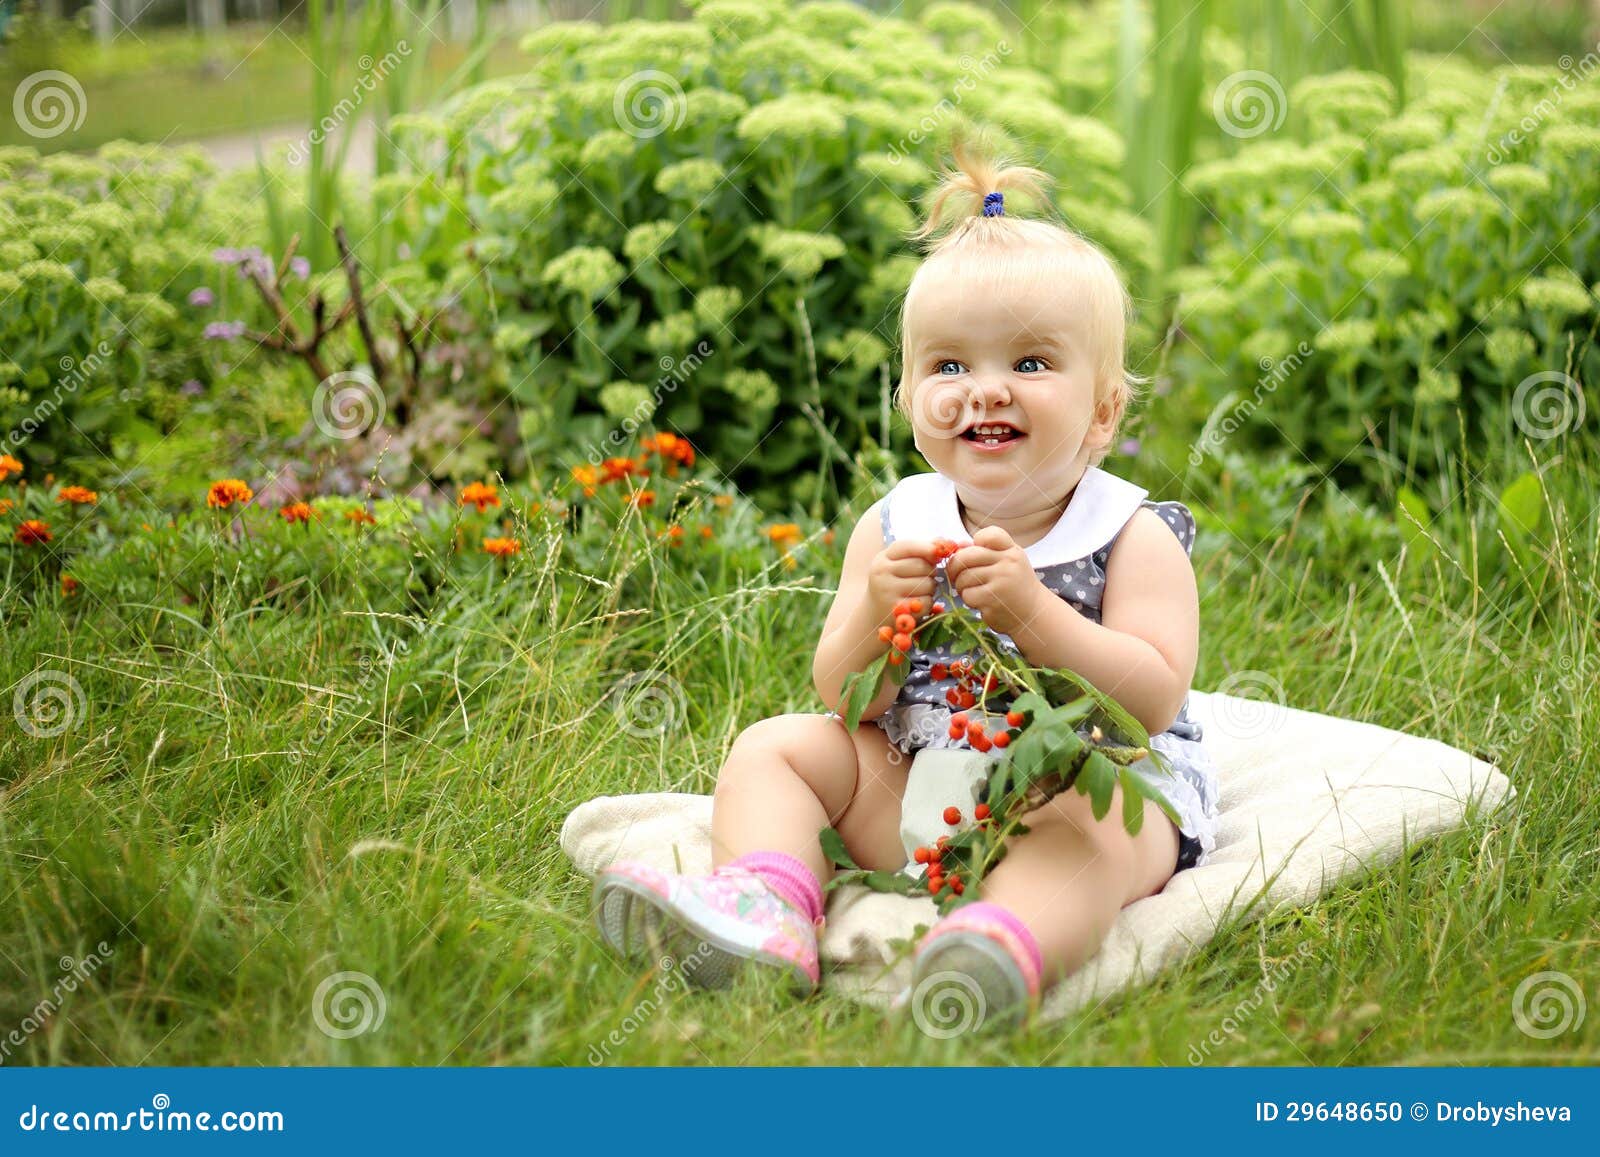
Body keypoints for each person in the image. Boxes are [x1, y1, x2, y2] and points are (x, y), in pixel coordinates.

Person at [591, 130, 1221, 1031]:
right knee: (779, 745)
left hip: (1077, 779)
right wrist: (876, 620)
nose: (984, 390)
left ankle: (997, 948)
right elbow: (845, 694)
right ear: (908, 398)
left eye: (1031, 363)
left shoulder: (1129, 535)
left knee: (1092, 836)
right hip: (922, 777)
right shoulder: (896, 527)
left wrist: (1038, 617)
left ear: (1104, 410)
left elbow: (1149, 701)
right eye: (949, 365)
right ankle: (767, 907)